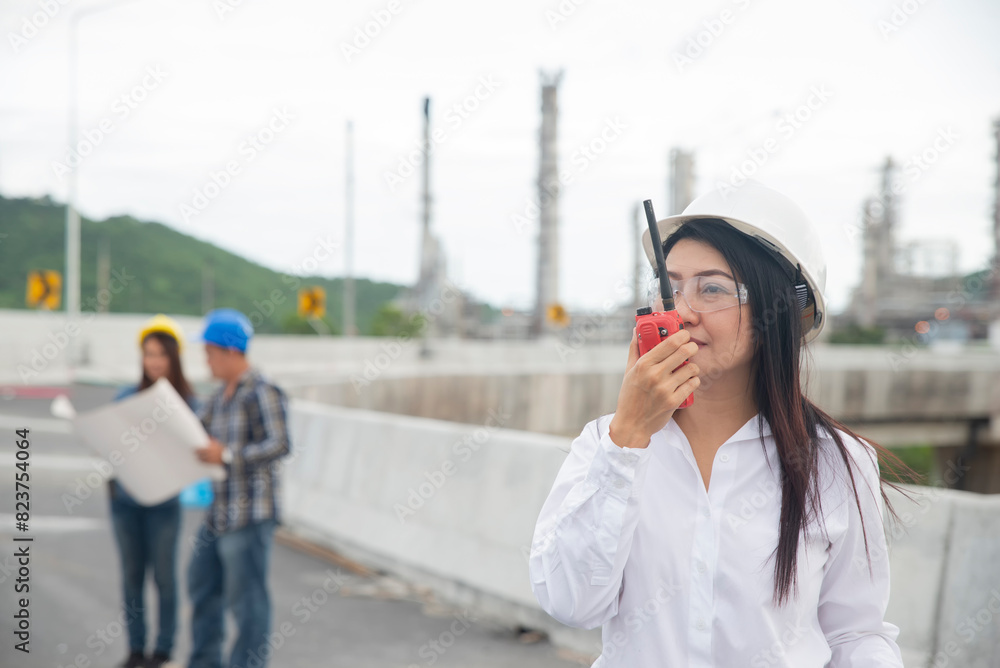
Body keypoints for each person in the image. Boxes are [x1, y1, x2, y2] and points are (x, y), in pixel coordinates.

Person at [528, 181, 920, 667]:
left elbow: (856, 635)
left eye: (711, 289)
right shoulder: (605, 446)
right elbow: (571, 604)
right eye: (670, 288)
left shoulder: (835, 463)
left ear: (778, 312)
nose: (682, 312)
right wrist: (627, 441)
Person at [187, 308, 291, 668]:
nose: (206, 361)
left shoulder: (263, 391)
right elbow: (196, 435)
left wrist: (228, 455)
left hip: (250, 515)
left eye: (210, 353)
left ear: (231, 352)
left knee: (248, 604)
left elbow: (279, 444)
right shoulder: (218, 398)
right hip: (218, 514)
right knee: (202, 589)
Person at [109, 314, 200, 668]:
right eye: (148, 354)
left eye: (161, 354)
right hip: (126, 502)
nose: (154, 361)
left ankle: (162, 651)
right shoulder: (126, 396)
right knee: (132, 577)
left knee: (164, 577)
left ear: (174, 358)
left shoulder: (189, 404)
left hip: (164, 503)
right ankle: (135, 650)